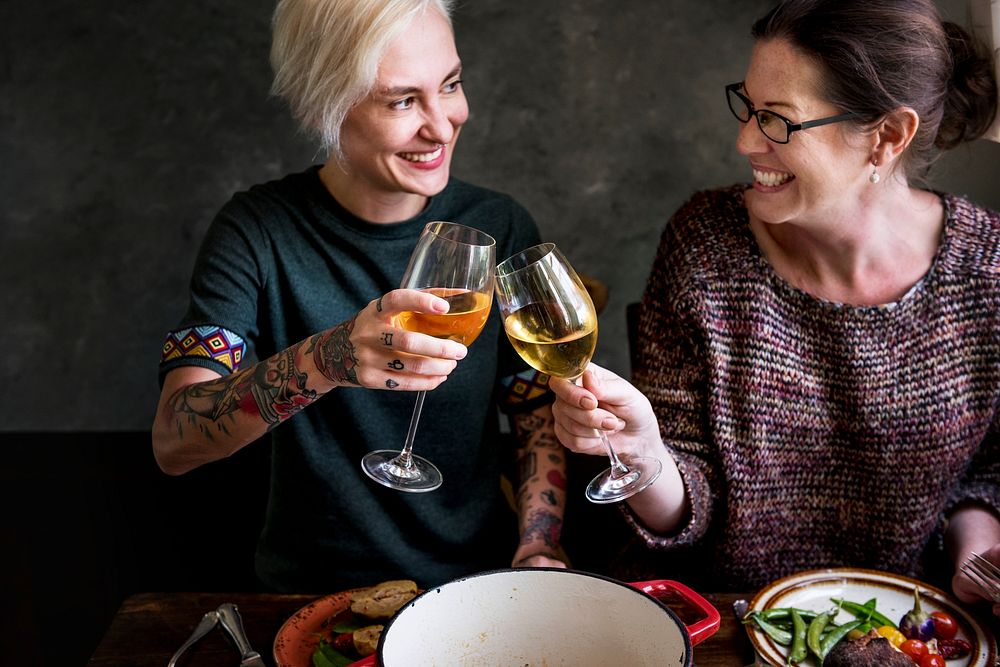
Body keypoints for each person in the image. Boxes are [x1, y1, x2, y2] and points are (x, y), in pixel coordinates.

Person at [550, 0, 1000, 612]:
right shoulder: (704, 245)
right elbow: (687, 509)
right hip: (718, 619)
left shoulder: (986, 268)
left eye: (778, 120)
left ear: (888, 137)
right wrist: (645, 455)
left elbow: (987, 469)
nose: (743, 141)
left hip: (902, 627)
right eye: (749, 108)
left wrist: (977, 560)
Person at [151, 0, 567, 593]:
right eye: (402, 100)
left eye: (450, 85)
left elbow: (532, 411)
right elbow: (174, 440)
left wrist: (538, 544)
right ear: (325, 106)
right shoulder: (257, 231)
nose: (443, 124)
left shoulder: (498, 225)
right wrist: (328, 359)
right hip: (310, 595)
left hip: (477, 591)